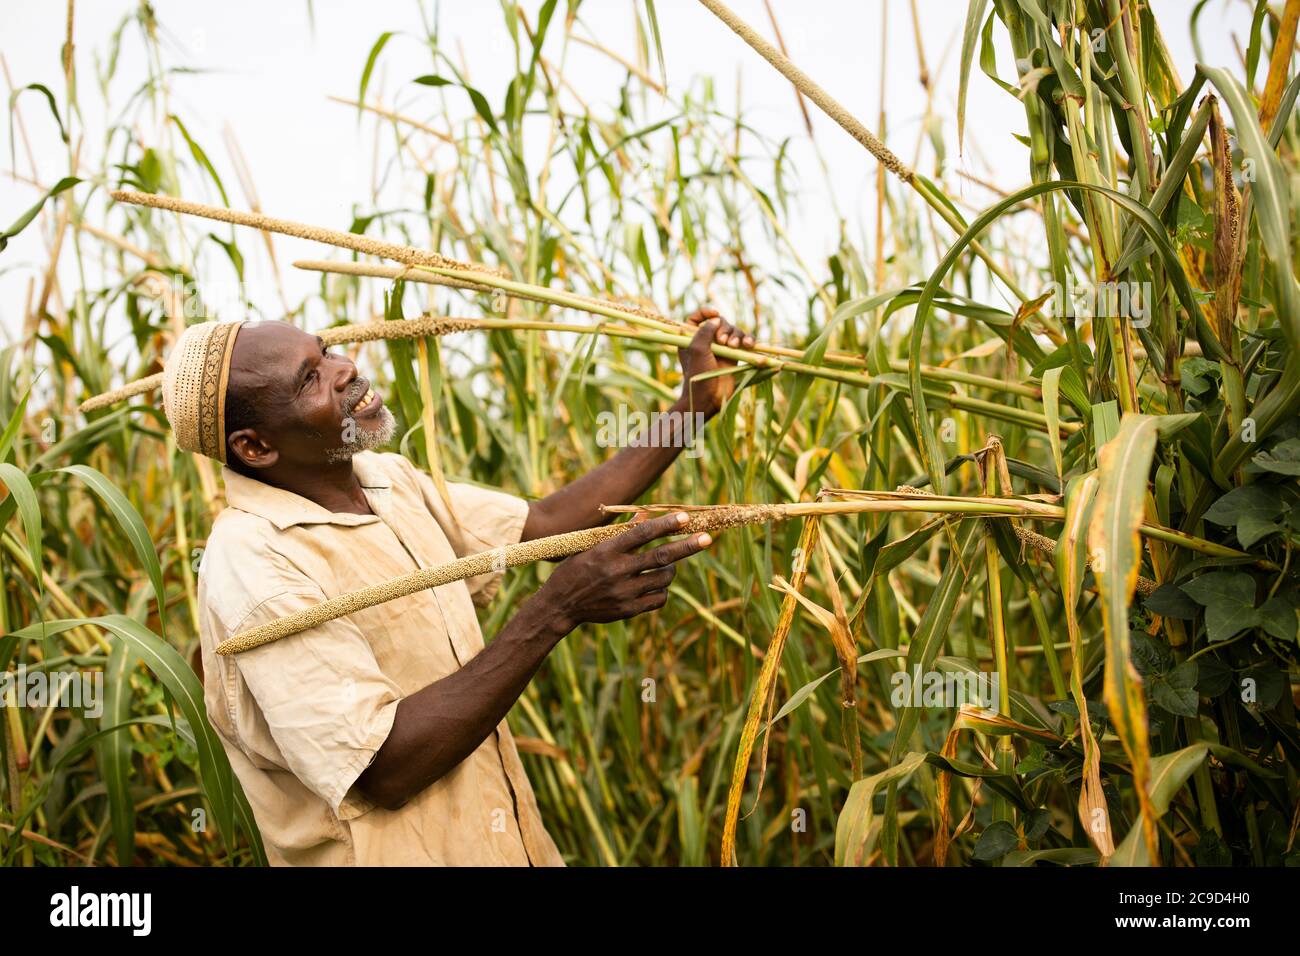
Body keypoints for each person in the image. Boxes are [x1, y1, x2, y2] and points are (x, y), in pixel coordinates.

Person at [160, 308, 754, 865]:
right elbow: (381, 769)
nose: (346, 370)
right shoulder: (255, 563)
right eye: (310, 380)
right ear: (256, 447)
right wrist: (556, 610)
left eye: (328, 351)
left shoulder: (383, 479)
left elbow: (544, 525)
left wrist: (692, 407)